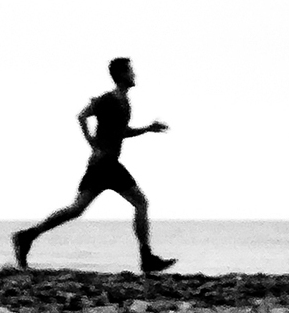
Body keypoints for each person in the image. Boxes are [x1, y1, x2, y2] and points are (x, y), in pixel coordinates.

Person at [12, 57, 176, 273]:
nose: (134, 75)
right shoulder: (108, 99)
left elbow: (121, 132)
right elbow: (82, 115)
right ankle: (146, 258)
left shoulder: (124, 102)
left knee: (77, 209)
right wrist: (91, 141)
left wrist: (147, 129)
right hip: (104, 163)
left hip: (105, 164)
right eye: (130, 71)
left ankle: (27, 236)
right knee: (140, 203)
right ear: (121, 75)